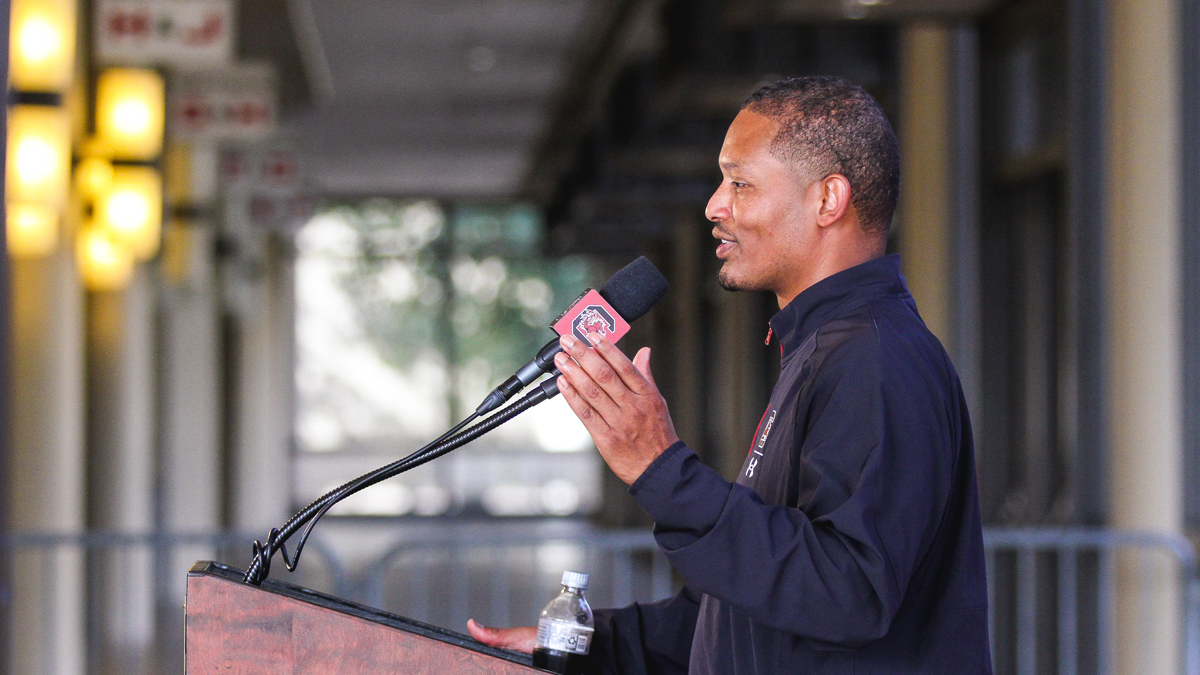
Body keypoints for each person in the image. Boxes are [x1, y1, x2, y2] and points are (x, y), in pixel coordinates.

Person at [468, 76, 991, 674]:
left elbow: (849, 596)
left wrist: (659, 467)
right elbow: (750, 605)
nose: (716, 205)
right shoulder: (822, 347)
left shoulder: (875, 358)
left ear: (828, 200)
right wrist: (594, 642)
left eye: (740, 183)